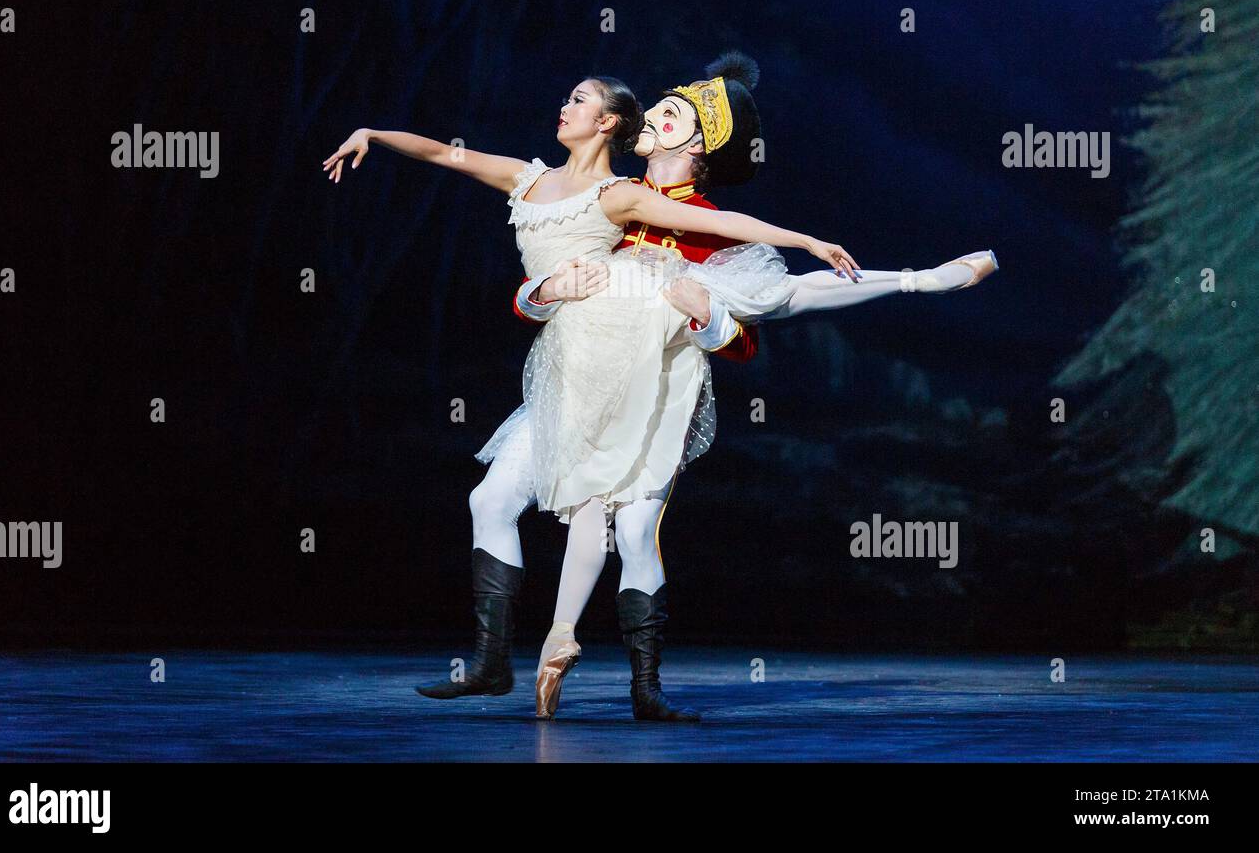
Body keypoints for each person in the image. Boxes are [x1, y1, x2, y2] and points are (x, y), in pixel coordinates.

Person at [322, 57, 997, 721]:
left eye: (667, 114)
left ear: (695, 144)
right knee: (502, 498)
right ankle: (514, 654)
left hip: (656, 385)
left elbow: (753, 321)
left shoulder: (681, 217)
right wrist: (537, 289)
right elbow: (545, 273)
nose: (652, 117)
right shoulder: (613, 200)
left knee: (636, 525)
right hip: (581, 371)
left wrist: (720, 303)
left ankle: (635, 682)